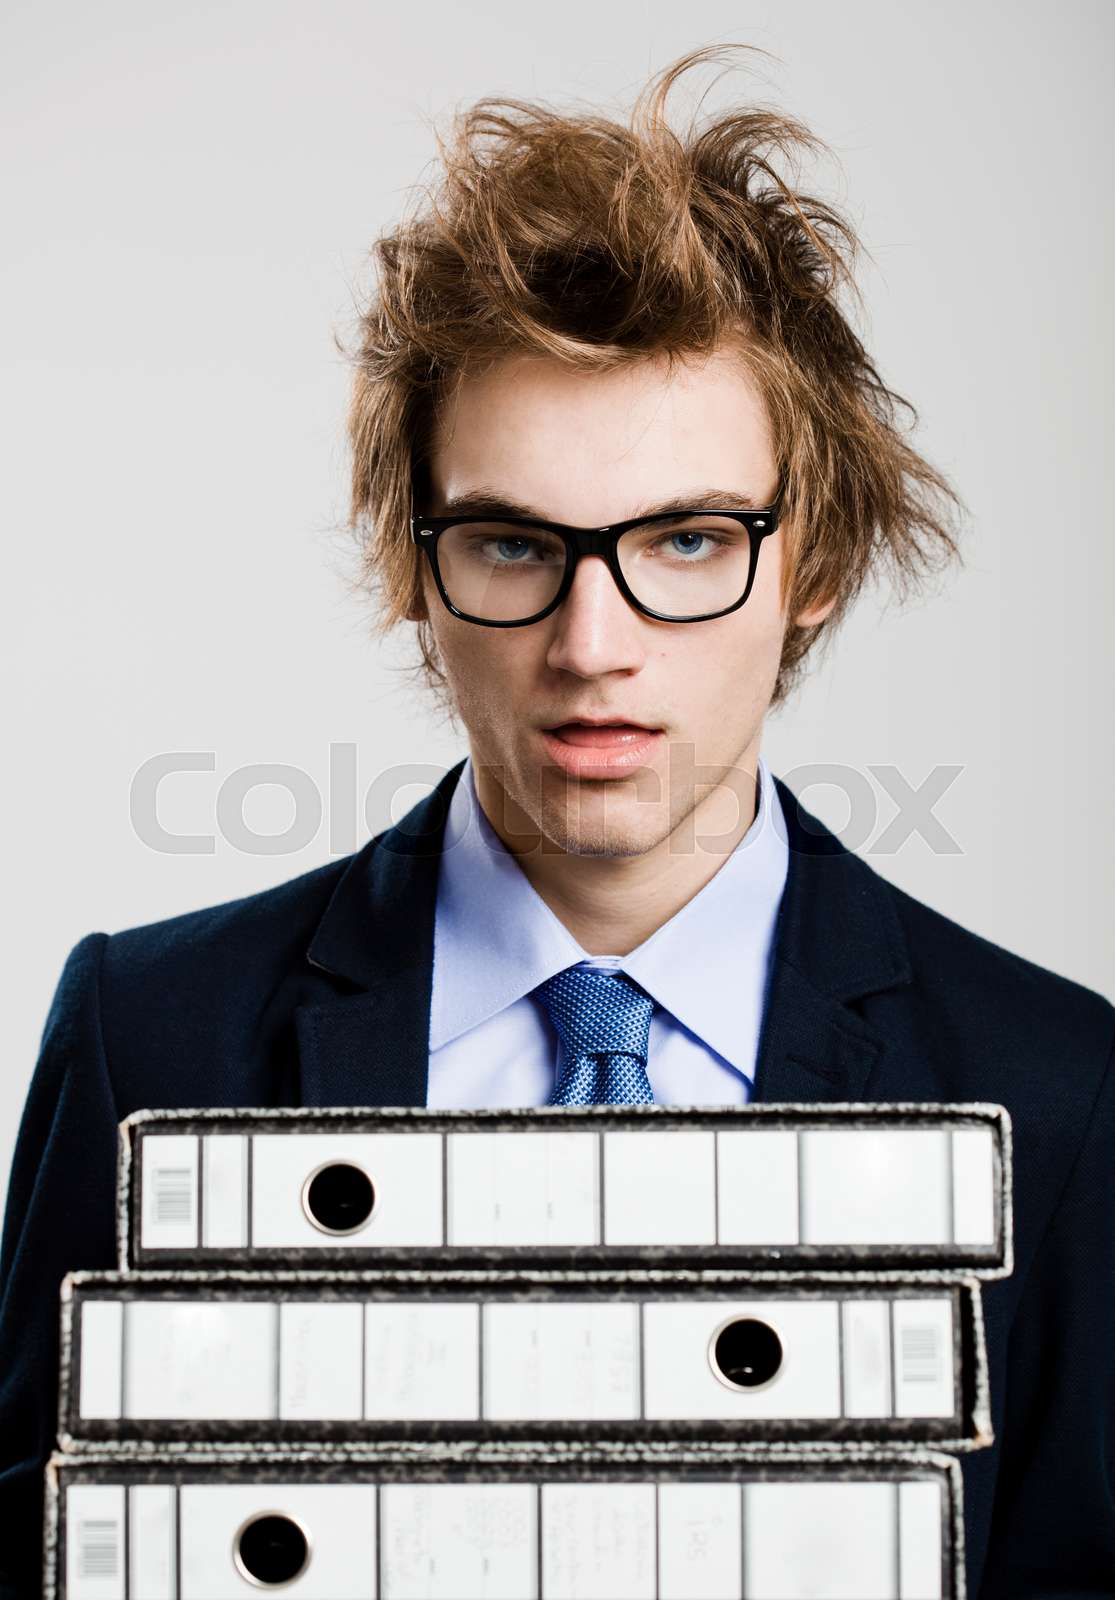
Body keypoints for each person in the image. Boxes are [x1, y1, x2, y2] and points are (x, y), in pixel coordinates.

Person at [1, 44, 1111, 1600]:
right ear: (415, 565)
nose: (594, 641)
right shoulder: (146, 1040)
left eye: (686, 538)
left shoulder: (1059, 1099)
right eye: (515, 544)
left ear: (819, 558)